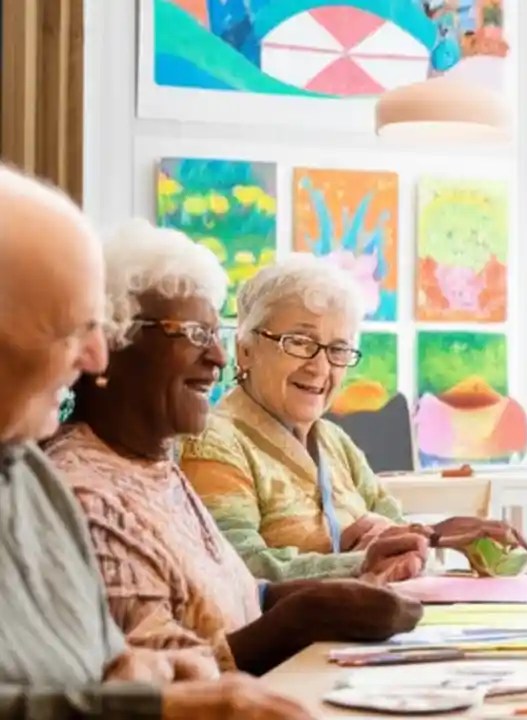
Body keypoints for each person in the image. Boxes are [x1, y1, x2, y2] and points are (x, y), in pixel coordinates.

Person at [0, 164, 313, 718]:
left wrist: (128, 668)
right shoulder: (77, 483)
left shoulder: (27, 471)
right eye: (72, 328)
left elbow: (80, 659)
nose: (93, 355)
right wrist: (159, 706)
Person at [45, 219, 424, 676]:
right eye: (192, 334)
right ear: (106, 345)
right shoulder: (86, 495)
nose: (218, 359)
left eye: (214, 335)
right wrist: (300, 618)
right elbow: (155, 685)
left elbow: (232, 597)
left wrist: (350, 585)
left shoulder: (154, 466)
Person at [181, 254, 519, 582]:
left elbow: (394, 531)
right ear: (245, 349)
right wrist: (358, 562)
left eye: (338, 350)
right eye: (299, 342)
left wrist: (434, 537)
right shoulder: (213, 442)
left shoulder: (333, 441)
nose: (320, 367)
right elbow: (237, 570)